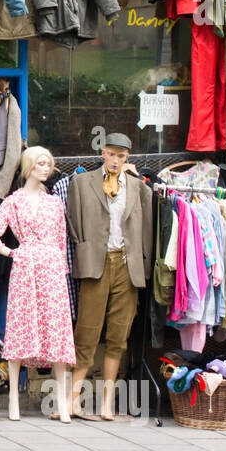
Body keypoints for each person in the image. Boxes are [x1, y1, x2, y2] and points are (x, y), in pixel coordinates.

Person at [0, 146, 75, 423]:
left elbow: (60, 240)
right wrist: (12, 253)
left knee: (55, 330)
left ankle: (62, 401)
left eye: (49, 164)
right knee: (21, 328)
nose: (46, 168)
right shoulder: (13, 202)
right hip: (25, 267)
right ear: (29, 166)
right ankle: (13, 399)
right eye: (41, 163)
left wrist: (61, 270)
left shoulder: (55, 202)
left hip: (53, 270)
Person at [65, 132, 153, 421]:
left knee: (119, 335)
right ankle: (72, 400)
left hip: (126, 266)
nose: (116, 160)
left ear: (128, 158)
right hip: (96, 264)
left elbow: (147, 233)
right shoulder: (81, 183)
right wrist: (86, 252)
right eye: (112, 154)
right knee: (87, 332)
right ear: (103, 153)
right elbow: (75, 226)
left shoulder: (140, 189)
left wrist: (144, 267)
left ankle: (106, 404)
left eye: (122, 156)